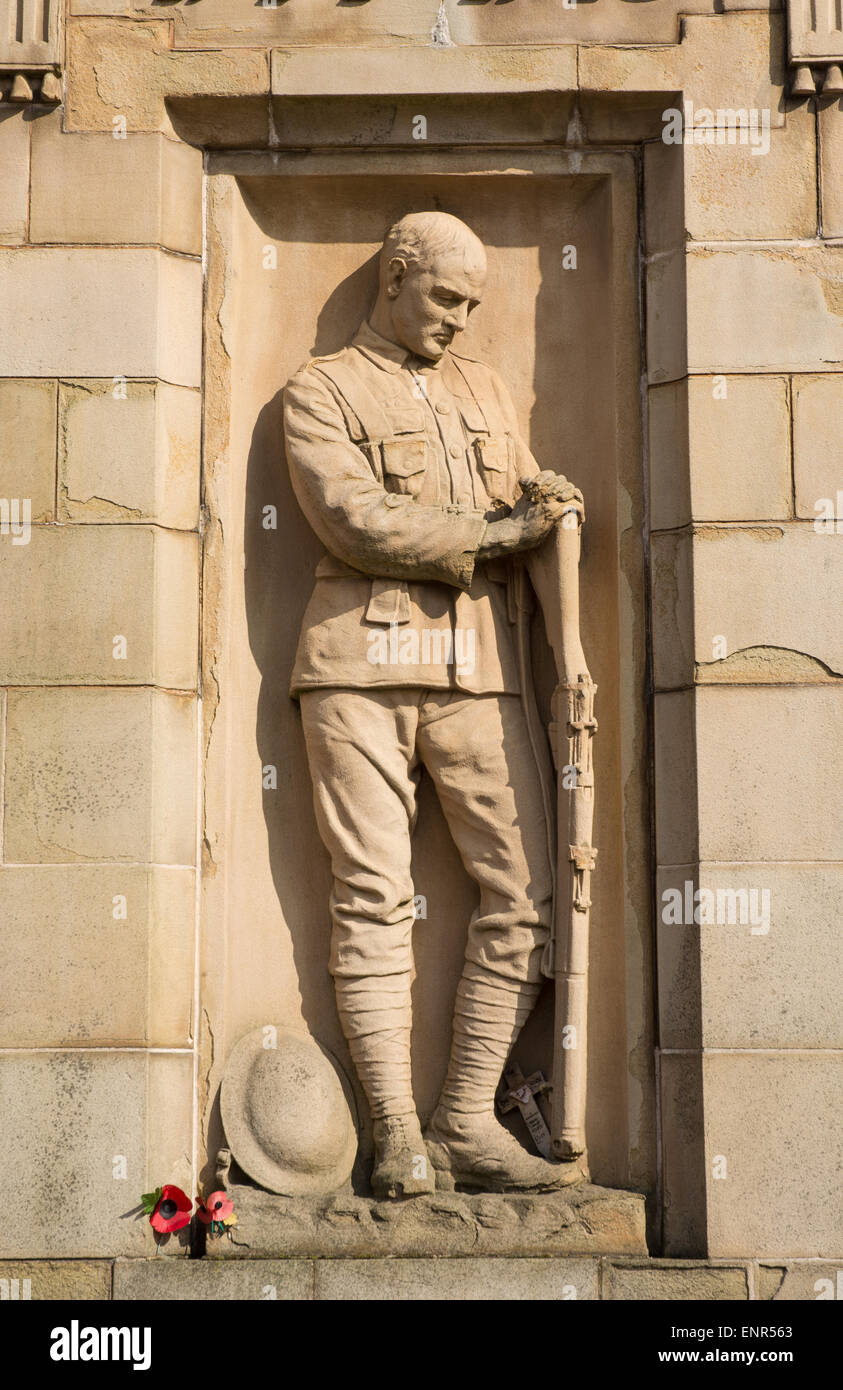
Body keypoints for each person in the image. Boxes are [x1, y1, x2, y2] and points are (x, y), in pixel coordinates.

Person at [284, 211, 584, 1197]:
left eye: (473, 304)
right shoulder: (319, 389)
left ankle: (463, 1116)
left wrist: (551, 516)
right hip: (356, 667)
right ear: (394, 280)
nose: (459, 319)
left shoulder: (489, 392)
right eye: (445, 297)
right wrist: (503, 534)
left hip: (477, 670)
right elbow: (355, 518)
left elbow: (532, 508)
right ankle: (394, 1135)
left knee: (530, 896)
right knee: (370, 898)